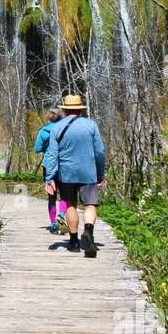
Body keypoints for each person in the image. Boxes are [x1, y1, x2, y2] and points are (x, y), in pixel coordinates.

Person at [42, 94, 107, 258]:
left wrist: (50, 178)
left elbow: (52, 155)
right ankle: (88, 232)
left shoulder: (56, 128)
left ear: (65, 110)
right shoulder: (91, 125)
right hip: (88, 171)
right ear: (80, 109)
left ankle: (73, 242)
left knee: (70, 204)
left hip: (67, 173)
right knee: (90, 204)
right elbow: (99, 152)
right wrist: (100, 174)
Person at [33, 107, 68, 233]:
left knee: (51, 196)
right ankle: (62, 215)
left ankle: (53, 224)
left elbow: (37, 149)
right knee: (65, 195)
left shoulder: (44, 131)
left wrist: (46, 149)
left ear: (49, 117)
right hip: (64, 164)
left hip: (48, 165)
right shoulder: (66, 129)